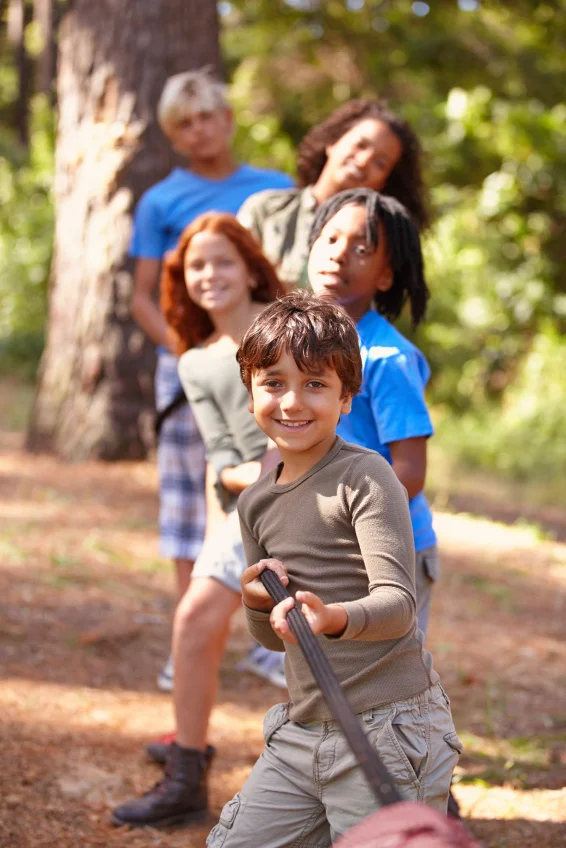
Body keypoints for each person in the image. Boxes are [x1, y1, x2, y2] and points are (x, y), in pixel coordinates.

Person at [205, 293, 461, 848]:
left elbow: (398, 605)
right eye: (273, 382)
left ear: (347, 397)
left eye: (315, 384)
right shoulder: (255, 503)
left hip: (388, 729)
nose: (292, 401)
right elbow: (271, 639)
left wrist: (332, 616)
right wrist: (255, 602)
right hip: (304, 729)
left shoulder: (366, 477)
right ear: (249, 390)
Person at [112, 214, 286, 830]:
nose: (209, 275)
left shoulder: (287, 327)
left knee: (322, 644)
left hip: (317, 508)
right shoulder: (196, 362)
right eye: (195, 267)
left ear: (249, 265)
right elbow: (224, 462)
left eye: (222, 261)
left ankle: (398, 773)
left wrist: (270, 470)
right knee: (193, 619)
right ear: (182, 282)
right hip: (246, 511)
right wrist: (222, 537)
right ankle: (186, 775)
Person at [130, 67, 292, 690]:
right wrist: (194, 351)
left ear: (227, 119)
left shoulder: (274, 189)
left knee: (274, 488)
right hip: (188, 367)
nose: (198, 131)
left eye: (207, 117)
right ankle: (194, 630)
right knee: (189, 504)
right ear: (174, 135)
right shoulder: (162, 201)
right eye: (183, 124)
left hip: (267, 357)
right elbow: (146, 294)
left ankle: (269, 637)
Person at [306, 188, 437, 636]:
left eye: (361, 249)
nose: (339, 255)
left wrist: (343, 515)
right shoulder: (299, 344)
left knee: (390, 684)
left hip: (391, 550)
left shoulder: (386, 358)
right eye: (330, 238)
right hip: (332, 544)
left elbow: (411, 471)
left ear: (385, 277)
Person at [237, 98, 428, 289]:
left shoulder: (378, 241)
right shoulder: (266, 210)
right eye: (360, 145)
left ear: (385, 182)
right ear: (333, 142)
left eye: (380, 163)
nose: (363, 161)